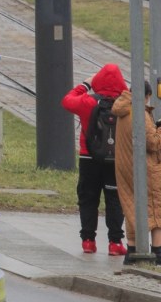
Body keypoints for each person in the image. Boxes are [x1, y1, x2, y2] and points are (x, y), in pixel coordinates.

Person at [62, 63, 128, 255]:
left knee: (88, 198)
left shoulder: (88, 102)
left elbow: (67, 100)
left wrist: (86, 84)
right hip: (116, 159)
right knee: (115, 199)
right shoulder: (125, 105)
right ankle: (115, 243)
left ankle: (88, 241)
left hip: (88, 157)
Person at [111, 82, 161, 260]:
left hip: (125, 167)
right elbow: (153, 143)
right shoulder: (140, 113)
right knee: (156, 210)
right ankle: (157, 252)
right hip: (146, 169)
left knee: (133, 208)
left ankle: (132, 252)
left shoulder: (123, 110)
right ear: (147, 95)